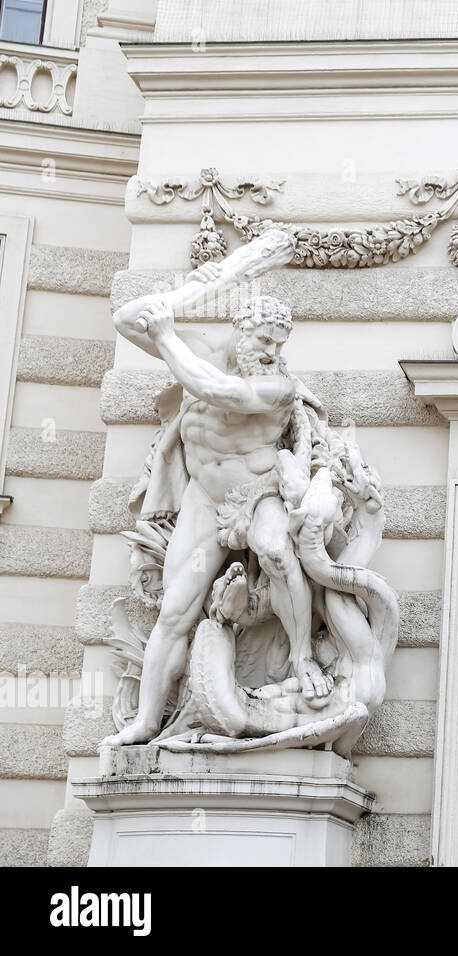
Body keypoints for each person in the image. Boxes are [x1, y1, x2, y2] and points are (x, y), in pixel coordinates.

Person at [103, 283, 330, 747]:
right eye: (265, 339)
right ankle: (147, 721)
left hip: (258, 488)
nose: (272, 352)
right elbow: (127, 319)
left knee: (275, 551)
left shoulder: (278, 385)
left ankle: (303, 656)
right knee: (174, 610)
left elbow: (218, 391)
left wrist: (166, 338)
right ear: (239, 332)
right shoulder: (200, 348)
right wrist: (190, 295)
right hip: (205, 498)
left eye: (279, 344)